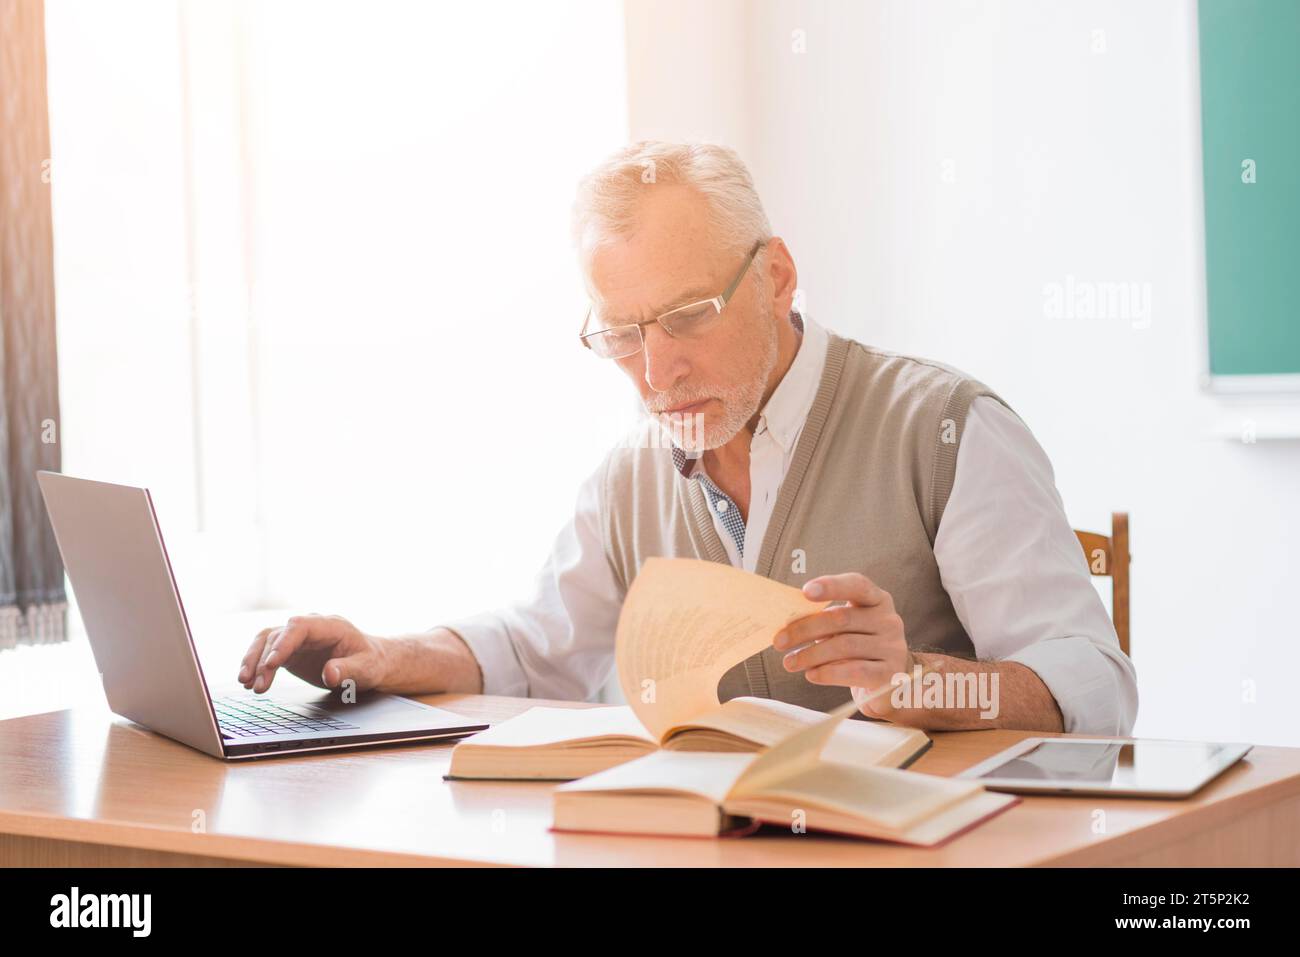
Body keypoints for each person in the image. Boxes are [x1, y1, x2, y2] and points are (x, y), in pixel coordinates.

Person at [237, 141, 1137, 734]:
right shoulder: (629, 473)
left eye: (686, 317)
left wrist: (920, 683)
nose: (654, 373)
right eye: (621, 333)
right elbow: (539, 647)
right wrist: (389, 655)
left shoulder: (942, 428)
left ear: (777, 277)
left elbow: (1095, 684)